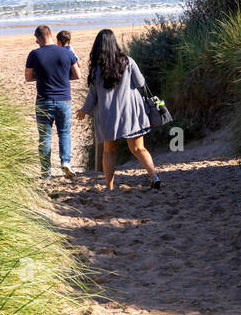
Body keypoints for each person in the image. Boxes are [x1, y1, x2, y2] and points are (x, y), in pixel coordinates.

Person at [76, 28, 161, 191]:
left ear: (98, 47)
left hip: (108, 115)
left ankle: (109, 186)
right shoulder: (128, 61)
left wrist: (84, 110)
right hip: (131, 113)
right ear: (114, 44)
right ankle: (154, 177)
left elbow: (92, 95)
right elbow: (140, 83)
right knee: (138, 148)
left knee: (109, 151)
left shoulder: (96, 69)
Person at [24, 24, 79, 178]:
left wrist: (40, 77)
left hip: (44, 100)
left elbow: (28, 77)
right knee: (64, 133)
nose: (37, 43)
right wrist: (63, 77)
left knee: (45, 136)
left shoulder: (34, 54)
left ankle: (46, 172)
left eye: (36, 40)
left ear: (40, 38)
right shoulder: (66, 52)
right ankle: (66, 162)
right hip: (64, 100)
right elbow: (77, 75)